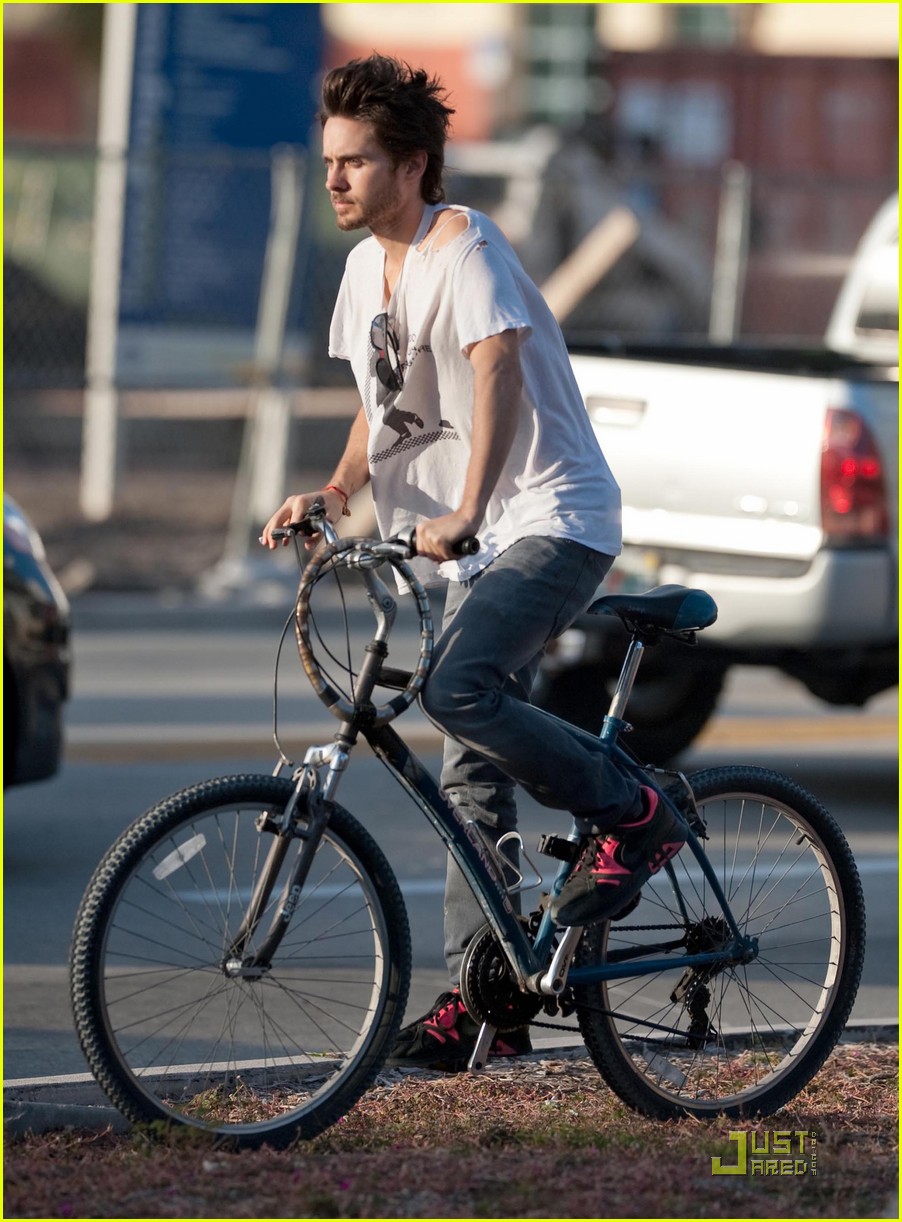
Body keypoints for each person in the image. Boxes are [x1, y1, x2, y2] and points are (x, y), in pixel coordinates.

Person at [262, 54, 685, 1071]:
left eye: (356, 162)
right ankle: (488, 998)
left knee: (457, 690)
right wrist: (334, 494)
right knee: (468, 769)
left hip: (553, 519)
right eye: (330, 161)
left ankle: (634, 814)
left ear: (413, 165)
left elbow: (495, 371)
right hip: (472, 545)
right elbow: (382, 407)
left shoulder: (468, 250)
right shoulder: (364, 272)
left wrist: (463, 509)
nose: (335, 180)